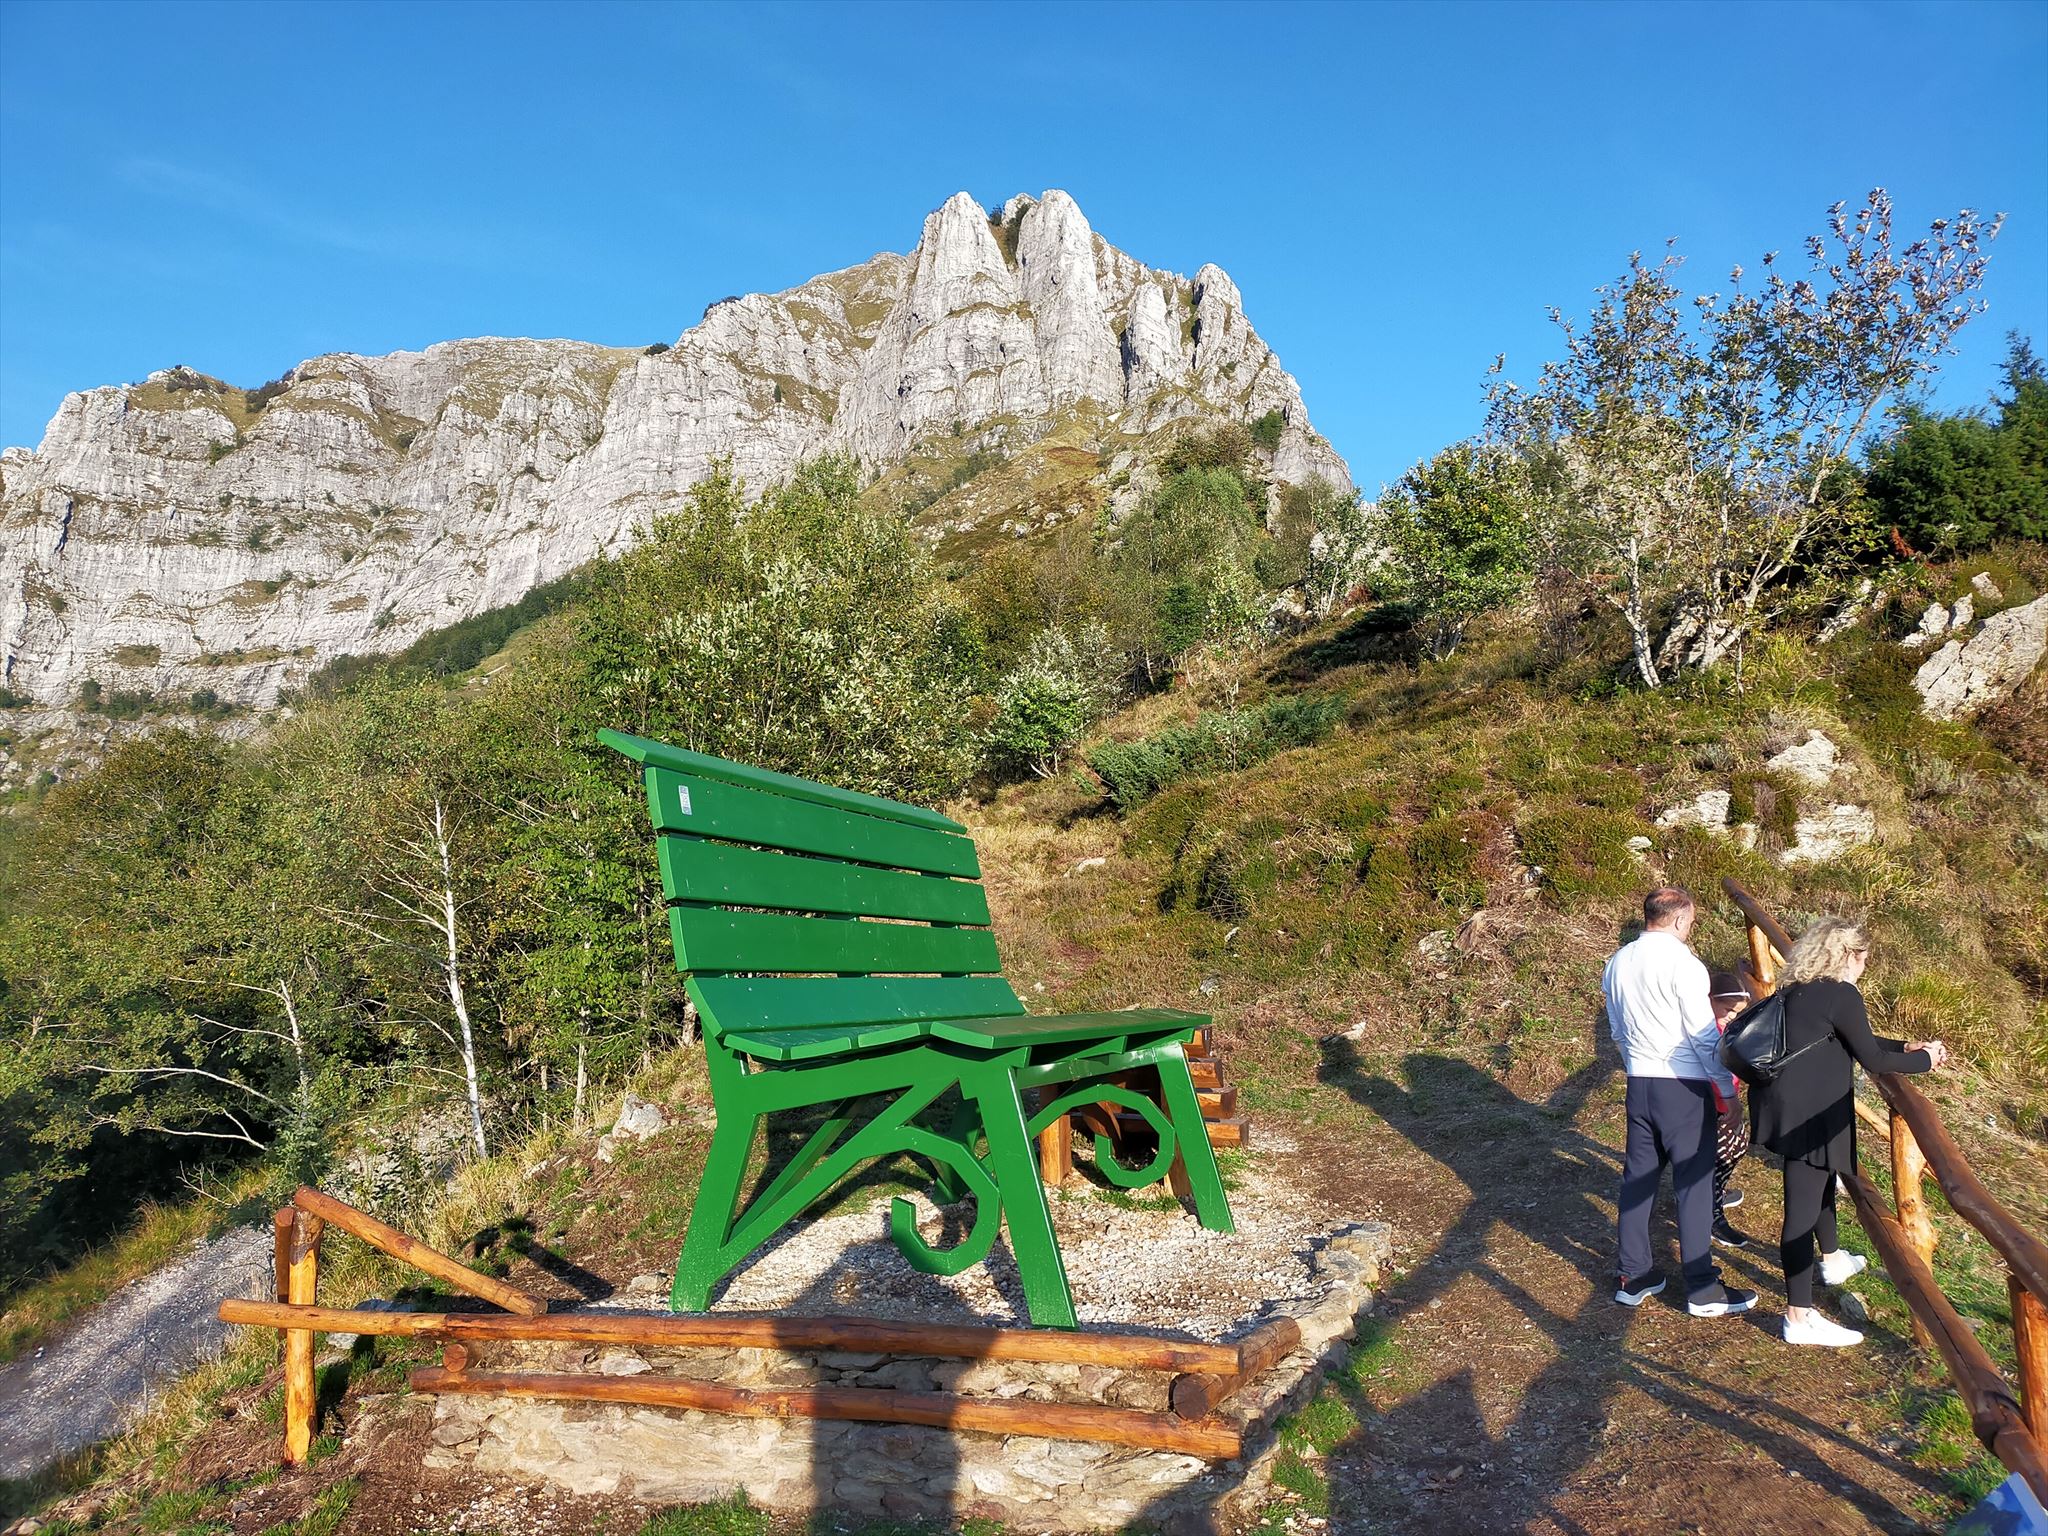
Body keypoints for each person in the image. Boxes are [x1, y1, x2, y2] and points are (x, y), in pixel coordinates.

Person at [1750, 917, 1947, 1347]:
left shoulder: (1799, 987)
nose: (1864, 966)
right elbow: (1872, 1059)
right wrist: (1926, 1061)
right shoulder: (1841, 993)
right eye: (1863, 958)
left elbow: (1851, 1039)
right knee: (1799, 1214)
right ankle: (1798, 1317)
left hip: (1788, 1107)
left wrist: (1904, 1046)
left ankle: (1833, 1259)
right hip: (1811, 1116)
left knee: (1820, 1185)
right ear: (1849, 955)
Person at [1606, 887, 1756, 1317]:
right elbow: (1704, 1037)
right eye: (1690, 922)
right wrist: (1726, 1091)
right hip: (1684, 1087)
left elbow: (1617, 1029)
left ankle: (1634, 1275)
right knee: (1693, 1186)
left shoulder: (1618, 962)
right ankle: (1703, 1288)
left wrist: (1636, 1065)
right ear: (1678, 920)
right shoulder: (1684, 964)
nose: (1690, 929)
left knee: (1639, 1178)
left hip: (1640, 1081)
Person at [1708, 971, 1754, 1250]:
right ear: (1710, 1000)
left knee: (1737, 1146)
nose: (1731, 1016)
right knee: (1720, 1156)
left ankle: (1715, 1195)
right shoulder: (1706, 1031)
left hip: (1726, 1102)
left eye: (1736, 1012)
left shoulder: (1723, 1028)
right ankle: (1711, 1215)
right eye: (1727, 1009)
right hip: (1713, 1105)